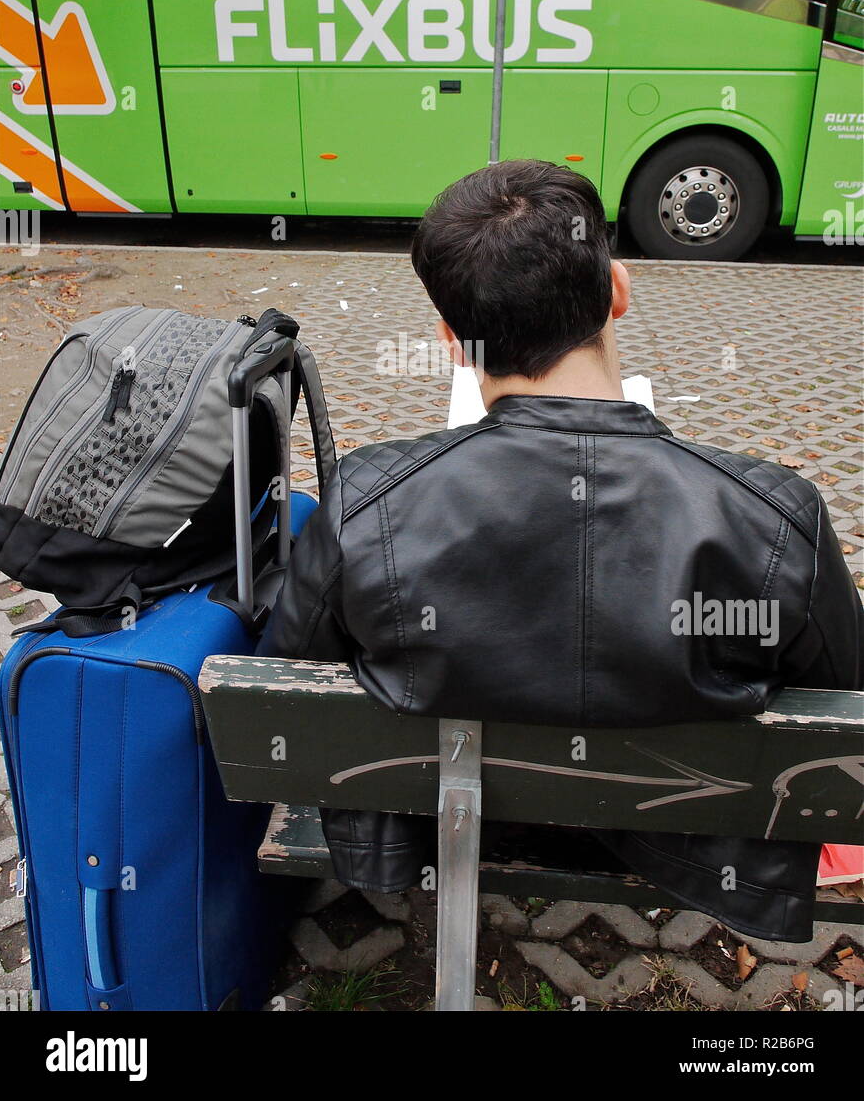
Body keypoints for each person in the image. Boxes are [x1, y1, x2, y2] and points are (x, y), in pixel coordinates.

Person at [260, 159, 862, 941]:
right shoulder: (776, 516)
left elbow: (288, 677)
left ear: (453, 341)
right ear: (618, 291)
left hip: (452, 819)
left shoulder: (367, 500)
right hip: (683, 837)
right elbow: (842, 701)